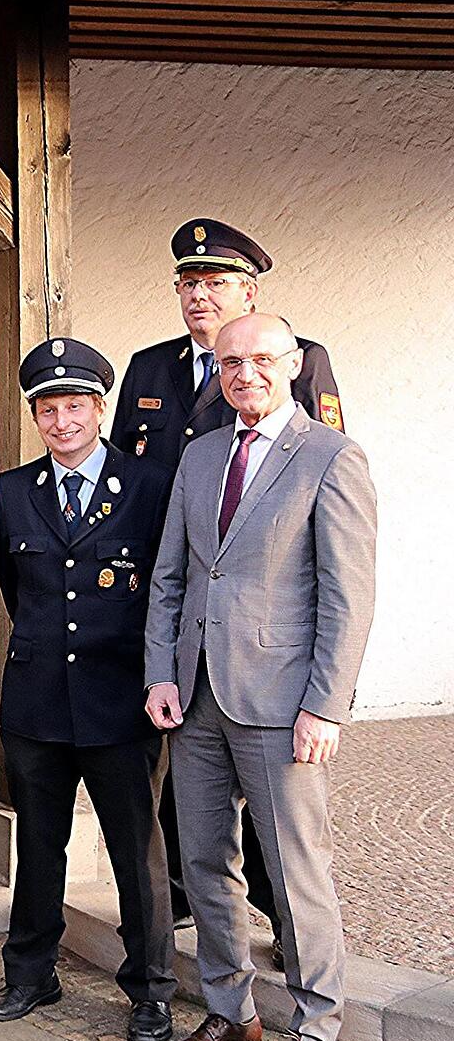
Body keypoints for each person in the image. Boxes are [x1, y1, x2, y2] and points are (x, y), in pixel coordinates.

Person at [145, 312, 376, 1041]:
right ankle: (230, 1013)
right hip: (197, 697)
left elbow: (347, 596)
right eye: (230, 362)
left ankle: (317, 1033)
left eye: (261, 360)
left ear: (294, 363)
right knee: (206, 863)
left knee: (294, 870)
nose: (245, 374)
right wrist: (162, 673)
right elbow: (171, 575)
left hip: (283, 704)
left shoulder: (331, 457)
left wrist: (326, 706)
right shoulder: (202, 454)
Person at [109, 219, 344, 931]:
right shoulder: (149, 367)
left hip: (255, 609)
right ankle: (182, 892)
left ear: (250, 293)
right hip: (168, 588)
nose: (200, 296)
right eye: (189, 283)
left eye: (216, 282)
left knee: (268, 781)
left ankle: (278, 910)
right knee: (179, 755)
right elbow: (124, 473)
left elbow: (321, 480)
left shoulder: (298, 359)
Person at [0, 337, 177, 1041]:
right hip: (37, 701)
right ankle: (30, 973)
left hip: (119, 700)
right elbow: (15, 587)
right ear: (35, 416)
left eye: (75, 406)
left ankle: (151, 987)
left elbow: (165, 588)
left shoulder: (148, 485)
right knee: (39, 845)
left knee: (136, 851)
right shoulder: (13, 490)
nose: (62, 422)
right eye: (48, 409)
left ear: (99, 408)